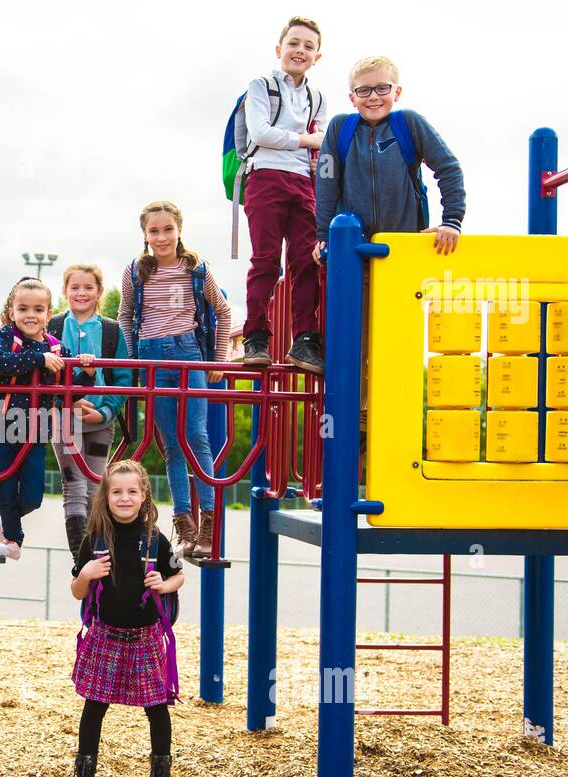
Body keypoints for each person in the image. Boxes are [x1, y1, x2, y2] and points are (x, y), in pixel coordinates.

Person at [118, 200, 233, 558]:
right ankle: (185, 522)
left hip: (188, 353)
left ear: (179, 229)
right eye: (154, 231)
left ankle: (210, 523)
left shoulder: (196, 269)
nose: (162, 237)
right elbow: (125, 315)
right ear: (145, 234)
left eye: (168, 229)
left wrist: (220, 358)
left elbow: (223, 311)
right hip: (151, 355)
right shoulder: (136, 271)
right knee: (170, 442)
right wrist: (135, 360)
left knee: (195, 434)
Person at [68, 459, 184, 777]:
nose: (124, 498)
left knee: (157, 709)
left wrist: (164, 584)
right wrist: (86, 574)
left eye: (132, 491)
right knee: (94, 707)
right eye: (117, 491)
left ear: (144, 495)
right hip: (105, 635)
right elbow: (76, 590)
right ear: (105, 496)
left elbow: (178, 577)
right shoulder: (94, 540)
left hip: (145, 637)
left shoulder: (155, 539)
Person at [237, 16, 328, 374]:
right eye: (293, 43)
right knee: (266, 259)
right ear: (279, 49)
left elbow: (326, 142)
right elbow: (261, 133)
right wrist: (307, 140)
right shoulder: (260, 86)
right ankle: (256, 335)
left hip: (302, 181)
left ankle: (305, 338)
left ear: (317, 57)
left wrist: (314, 146)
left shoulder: (317, 97)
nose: (300, 51)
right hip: (265, 177)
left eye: (308, 46)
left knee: (307, 261)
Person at [314, 55, 466, 259]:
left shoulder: (410, 123)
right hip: (354, 252)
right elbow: (326, 184)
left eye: (382, 88)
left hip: (404, 249)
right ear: (353, 98)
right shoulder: (339, 128)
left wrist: (451, 221)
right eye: (363, 90)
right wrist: (324, 236)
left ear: (397, 92)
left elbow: (449, 168)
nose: (373, 96)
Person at [0, 276, 90, 560]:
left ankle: (6, 525)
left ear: (49, 313)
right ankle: (14, 541)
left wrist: (87, 372)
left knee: (32, 495)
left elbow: (72, 389)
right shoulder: (6, 337)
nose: (31, 315)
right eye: (23, 309)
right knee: (4, 484)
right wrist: (38, 360)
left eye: (38, 309)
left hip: (36, 428)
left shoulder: (56, 348)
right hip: (1, 422)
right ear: (11, 312)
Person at [47, 264, 133, 560]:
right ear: (64, 291)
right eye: (75, 287)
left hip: (98, 420)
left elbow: (123, 379)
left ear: (99, 292)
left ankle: (99, 551)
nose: (81, 293)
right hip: (63, 420)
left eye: (88, 287)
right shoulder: (53, 327)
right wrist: (65, 403)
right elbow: (44, 377)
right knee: (74, 486)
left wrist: (106, 412)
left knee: (95, 486)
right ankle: (80, 558)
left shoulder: (111, 331)